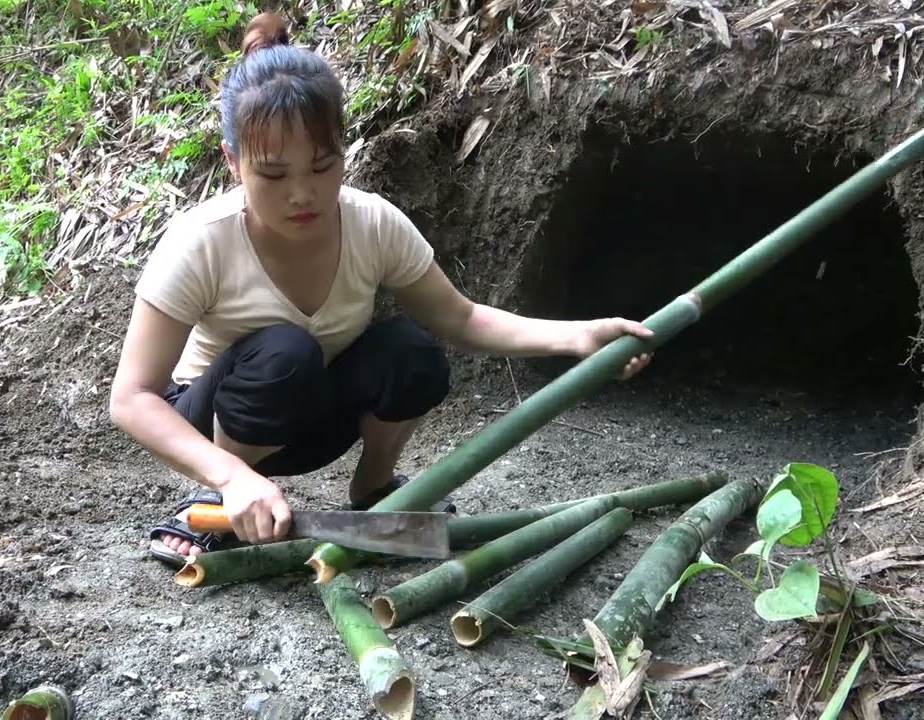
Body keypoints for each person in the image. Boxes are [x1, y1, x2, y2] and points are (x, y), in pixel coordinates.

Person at [109, 10, 653, 562]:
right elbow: (131, 398)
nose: (303, 193)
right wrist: (228, 477)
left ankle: (374, 490)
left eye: (322, 166)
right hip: (218, 426)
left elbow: (461, 319)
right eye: (274, 175)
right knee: (284, 352)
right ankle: (212, 503)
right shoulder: (201, 241)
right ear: (233, 162)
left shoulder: (372, 223)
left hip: (313, 415)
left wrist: (577, 337)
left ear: (343, 152)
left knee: (411, 350)